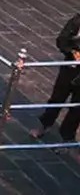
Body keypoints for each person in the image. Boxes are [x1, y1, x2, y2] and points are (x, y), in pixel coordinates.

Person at [30, 13, 80, 151]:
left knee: (77, 108)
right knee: (57, 98)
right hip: (71, 69)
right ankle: (45, 124)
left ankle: (67, 137)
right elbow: (62, 40)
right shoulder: (77, 21)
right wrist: (72, 52)